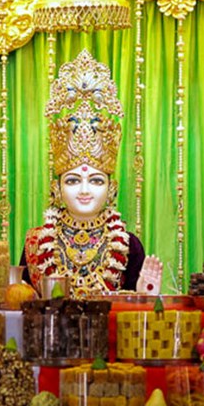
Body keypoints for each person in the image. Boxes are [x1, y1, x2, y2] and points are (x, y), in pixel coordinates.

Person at [20, 50, 151, 297]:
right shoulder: (36, 243)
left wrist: (144, 294)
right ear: (56, 188)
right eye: (72, 180)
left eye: (96, 180)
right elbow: (26, 303)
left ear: (112, 189)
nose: (84, 190)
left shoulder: (129, 245)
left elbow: (134, 311)